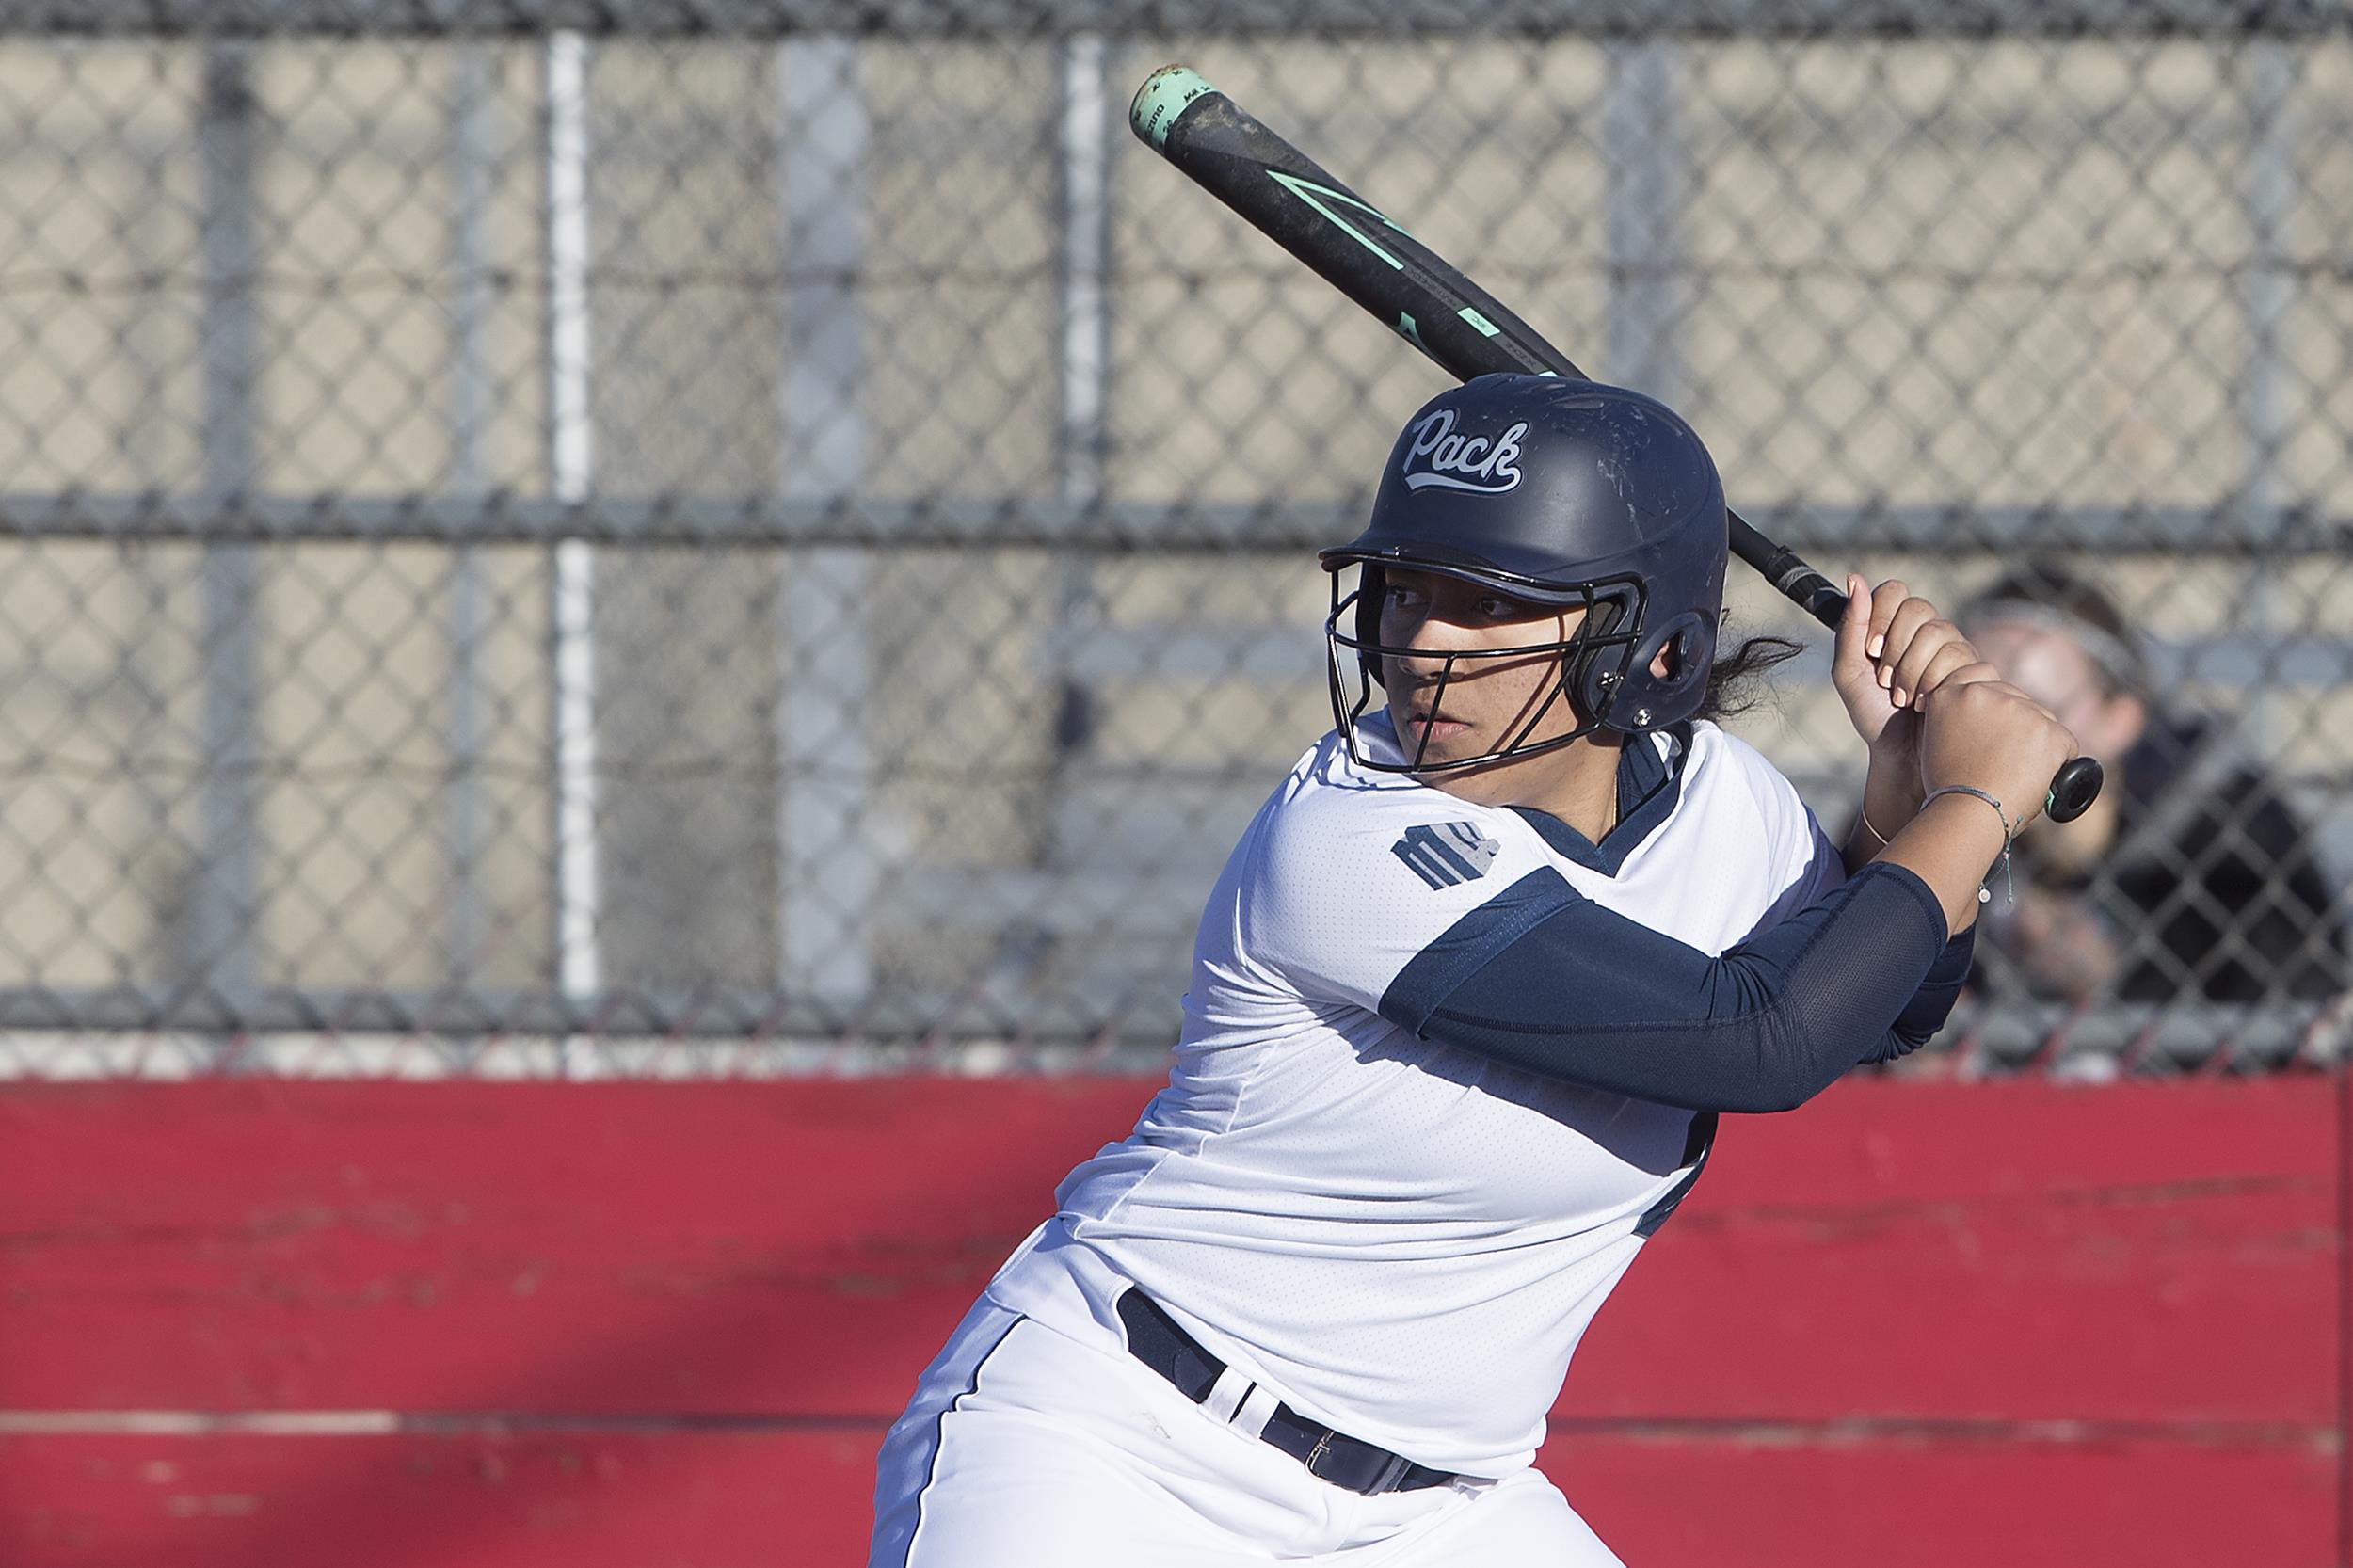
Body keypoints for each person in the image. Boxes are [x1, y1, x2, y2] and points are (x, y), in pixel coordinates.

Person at [868, 376, 2077, 1567]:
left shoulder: (1724, 807)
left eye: (1488, 606)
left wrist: (1902, 804)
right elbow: (1760, 1042)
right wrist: (1975, 801)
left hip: (1440, 1511)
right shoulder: (1349, 831)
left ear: (1648, 650)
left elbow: (1883, 1003)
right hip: (1123, 1451)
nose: (1419, 646)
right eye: (1405, 594)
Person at [1956, 564, 2347, 1004]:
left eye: (2039, 707)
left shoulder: (2230, 836)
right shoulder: (1925, 818)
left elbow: (2298, 1006)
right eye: (1973, 701)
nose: (1998, 733)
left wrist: (2112, 987)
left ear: (2122, 719)